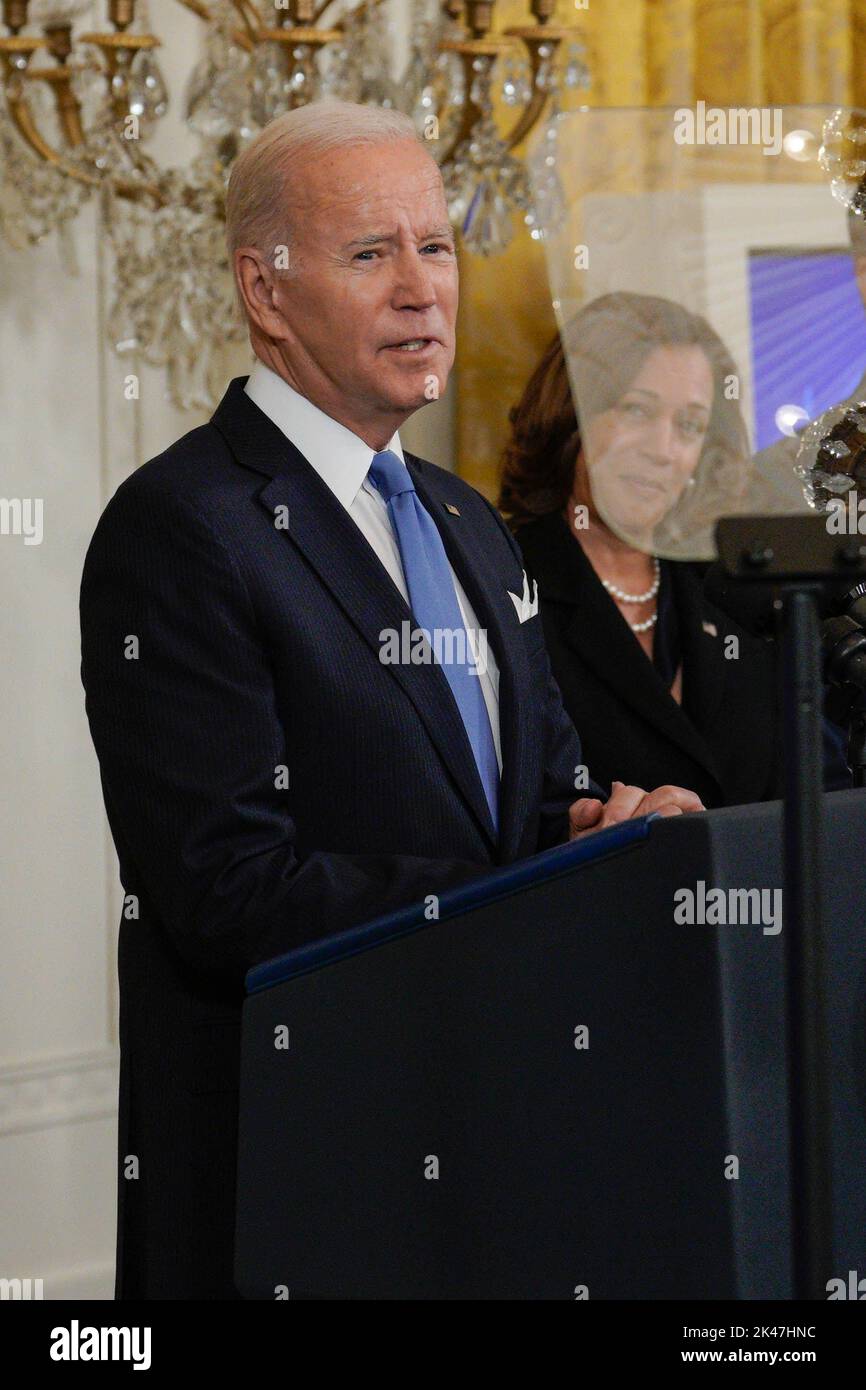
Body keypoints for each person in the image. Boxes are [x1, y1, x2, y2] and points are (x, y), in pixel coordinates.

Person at [79, 106, 703, 1300]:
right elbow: (223, 890)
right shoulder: (181, 528)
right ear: (265, 292)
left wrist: (604, 833)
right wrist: (521, 890)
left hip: (490, 1150)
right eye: (372, 254)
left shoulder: (467, 521)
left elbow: (530, 803)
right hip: (302, 1173)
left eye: (438, 246)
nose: (424, 290)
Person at [500, 293, 850, 807]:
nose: (662, 450)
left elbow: (822, 794)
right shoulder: (500, 577)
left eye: (688, 425)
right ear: (570, 418)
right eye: (637, 411)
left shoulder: (735, 587)